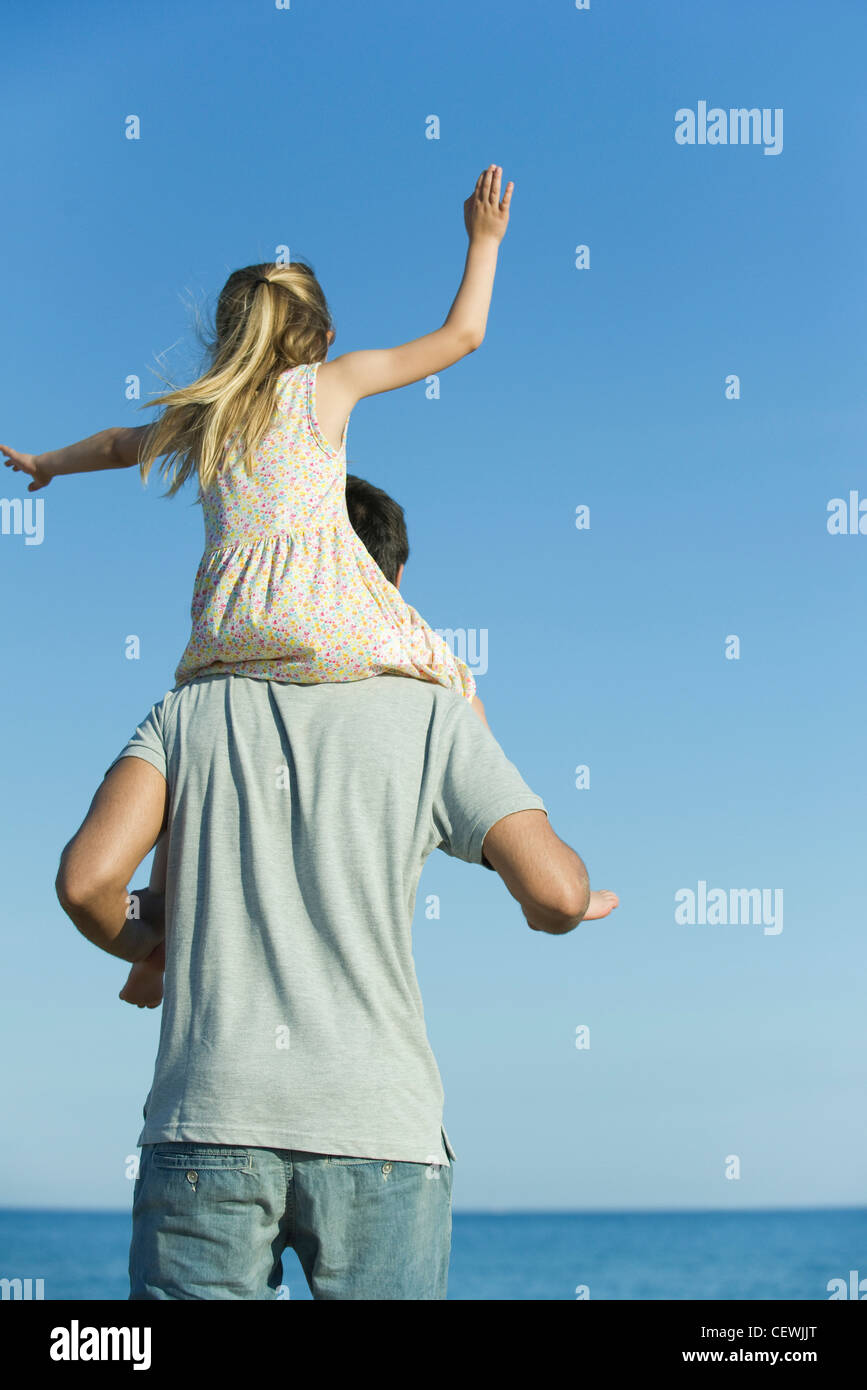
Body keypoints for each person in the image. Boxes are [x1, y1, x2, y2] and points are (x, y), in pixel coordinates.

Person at [54, 481, 618, 1300]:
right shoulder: (436, 716)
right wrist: (562, 903)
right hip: (378, 1129)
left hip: (207, 1118)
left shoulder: (191, 709)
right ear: (387, 587)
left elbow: (88, 882)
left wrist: (154, 942)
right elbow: (557, 894)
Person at [119, 472, 478, 1009]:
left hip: (232, 733)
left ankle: (154, 955)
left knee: (187, 808)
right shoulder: (415, 645)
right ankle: (154, 956)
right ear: (396, 575)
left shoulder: (264, 610)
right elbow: (478, 742)